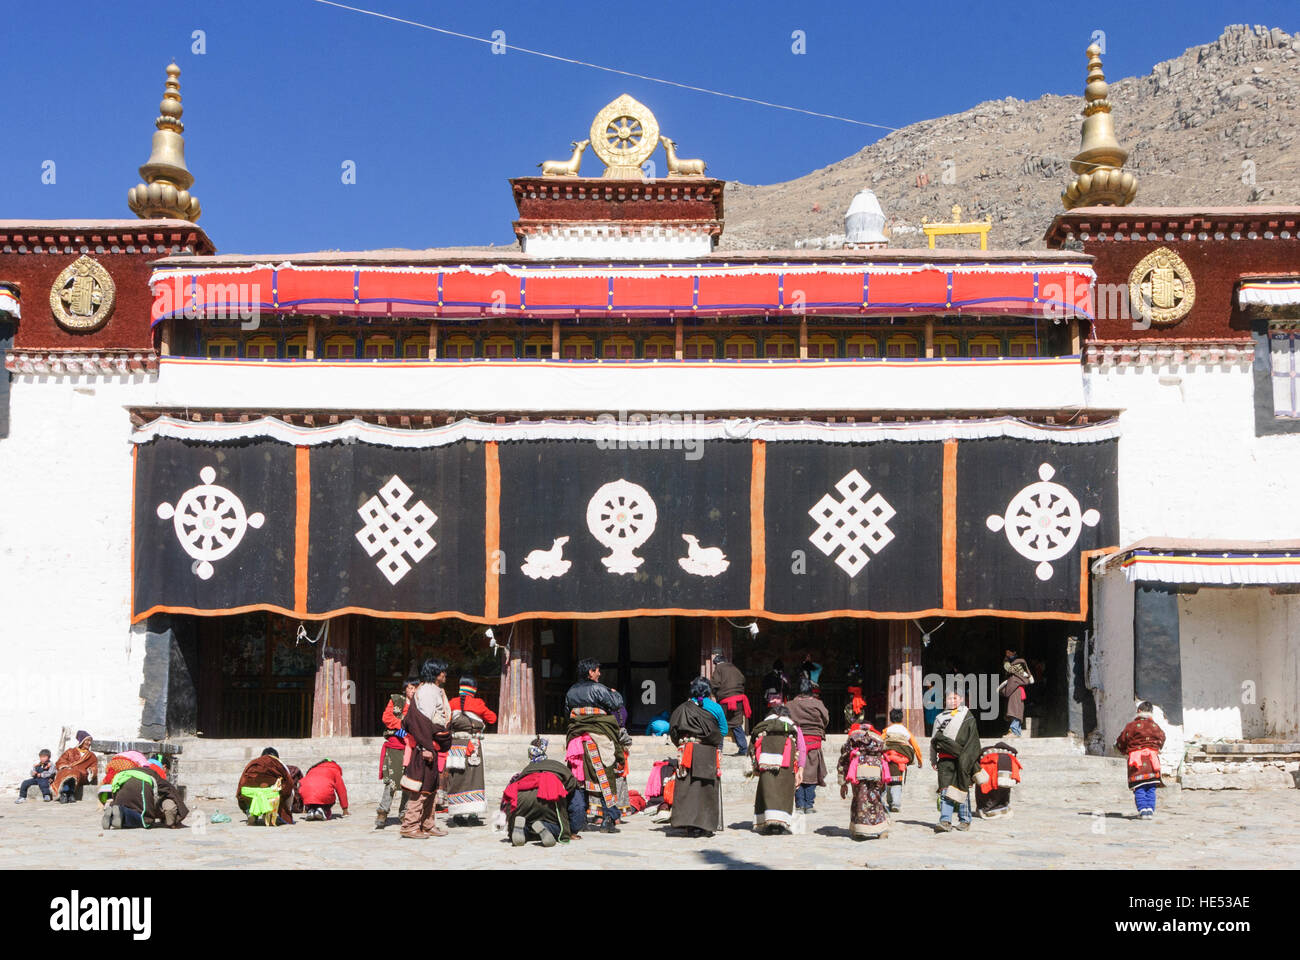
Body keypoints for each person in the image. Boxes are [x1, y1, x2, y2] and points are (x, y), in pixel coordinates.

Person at [564, 657, 626, 834]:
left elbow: (567, 713)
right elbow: (616, 704)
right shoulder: (599, 689)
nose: (599, 673)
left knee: (579, 780)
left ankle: (579, 820)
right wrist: (614, 692)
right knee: (605, 777)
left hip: (576, 742)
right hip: (598, 739)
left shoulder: (571, 691)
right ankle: (608, 819)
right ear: (591, 672)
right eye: (597, 670)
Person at [400, 658, 453, 839]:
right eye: (442, 671)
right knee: (420, 788)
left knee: (431, 787)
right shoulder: (428, 691)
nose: (445, 674)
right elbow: (423, 721)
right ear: (436, 673)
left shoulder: (434, 690)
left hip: (431, 745)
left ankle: (427, 824)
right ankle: (410, 826)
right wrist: (426, 746)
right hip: (425, 747)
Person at [667, 677, 725, 838]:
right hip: (707, 752)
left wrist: (681, 742)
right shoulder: (715, 708)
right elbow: (721, 732)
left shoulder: (682, 709)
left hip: (687, 751)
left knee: (688, 787)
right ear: (708, 691)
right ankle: (706, 825)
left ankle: (688, 824)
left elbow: (673, 731)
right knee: (706, 788)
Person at [499, 737, 580, 847]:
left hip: (522, 797)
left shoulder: (527, 769)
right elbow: (576, 804)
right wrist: (572, 828)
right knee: (557, 827)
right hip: (549, 794)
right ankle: (546, 828)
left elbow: (507, 801)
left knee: (527, 822)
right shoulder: (557, 766)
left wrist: (510, 826)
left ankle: (522, 830)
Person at [747, 692, 807, 835]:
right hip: (787, 764)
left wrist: (754, 765)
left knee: (767, 792)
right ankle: (781, 825)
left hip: (765, 763)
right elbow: (802, 748)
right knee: (784, 793)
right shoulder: (793, 725)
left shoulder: (763, 725)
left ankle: (767, 824)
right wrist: (801, 769)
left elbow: (752, 744)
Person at [444, 675, 498, 824]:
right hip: (472, 745)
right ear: (474, 689)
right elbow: (492, 718)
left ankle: (457, 814)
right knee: (474, 777)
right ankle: (473, 814)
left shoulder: (452, 703)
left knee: (456, 777)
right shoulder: (478, 703)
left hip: (455, 744)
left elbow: (445, 721)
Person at [931, 691, 981, 833]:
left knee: (962, 788)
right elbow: (934, 741)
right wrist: (933, 758)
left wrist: (968, 758)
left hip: (963, 759)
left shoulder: (967, 716)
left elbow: (973, 740)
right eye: (949, 698)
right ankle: (945, 820)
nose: (952, 701)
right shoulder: (939, 718)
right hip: (945, 760)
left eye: (955, 698)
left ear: (961, 699)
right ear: (944, 700)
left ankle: (965, 820)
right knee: (945, 790)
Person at [837, 724, 892, 839]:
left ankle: (859, 828)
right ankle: (881, 829)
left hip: (859, 770)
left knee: (860, 798)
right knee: (876, 798)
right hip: (877, 770)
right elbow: (885, 752)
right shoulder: (878, 739)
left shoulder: (853, 739)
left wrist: (843, 783)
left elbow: (844, 758)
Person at [376, 678, 416, 829]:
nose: (413, 691)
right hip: (396, 745)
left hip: (412, 746)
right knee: (392, 781)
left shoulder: (420, 706)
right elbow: (387, 718)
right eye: (411, 688)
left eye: (415, 688)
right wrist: (404, 725)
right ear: (405, 689)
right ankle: (383, 811)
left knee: (408, 781)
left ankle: (404, 812)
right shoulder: (396, 700)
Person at [1116, 701, 1166, 820]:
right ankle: (1150, 810)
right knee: (1151, 787)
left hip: (1137, 761)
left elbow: (1122, 740)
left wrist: (1122, 750)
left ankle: (1143, 810)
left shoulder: (1131, 726)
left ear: (1138, 711)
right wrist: (1155, 748)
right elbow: (1162, 737)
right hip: (1152, 760)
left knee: (1139, 786)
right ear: (1151, 713)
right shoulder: (1155, 726)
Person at [786, 676, 829, 814]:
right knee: (812, 773)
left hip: (797, 741)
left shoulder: (790, 705)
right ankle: (809, 804)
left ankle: (799, 804)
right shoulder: (818, 704)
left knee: (797, 768)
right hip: (814, 740)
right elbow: (826, 718)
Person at [101, 765, 188, 829]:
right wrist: (172, 823)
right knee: (144, 819)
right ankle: (122, 812)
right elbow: (171, 804)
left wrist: (115, 801)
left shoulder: (133, 770)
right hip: (141, 786)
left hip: (121, 785)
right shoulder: (158, 779)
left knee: (122, 812)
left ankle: (113, 815)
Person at [236, 747, 303, 825]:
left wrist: (242, 802)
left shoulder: (253, 763)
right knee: (282, 791)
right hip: (272, 793)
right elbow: (289, 783)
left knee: (250, 791)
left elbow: (241, 784)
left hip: (249, 792)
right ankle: (268, 812)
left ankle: (250, 811)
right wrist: (286, 808)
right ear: (277, 757)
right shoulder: (279, 763)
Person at [881, 709, 923, 813]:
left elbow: (880, 741)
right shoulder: (905, 731)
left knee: (888, 780)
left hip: (888, 757)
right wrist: (919, 760)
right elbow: (915, 746)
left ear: (890, 718)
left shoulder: (887, 730)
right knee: (897, 781)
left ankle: (891, 802)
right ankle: (896, 803)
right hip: (901, 759)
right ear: (902, 718)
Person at [710, 652, 750, 755]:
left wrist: (715, 693)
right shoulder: (735, 668)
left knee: (720, 723)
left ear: (717, 663)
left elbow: (715, 683)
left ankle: (719, 748)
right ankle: (743, 748)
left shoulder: (719, 668)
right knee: (736, 724)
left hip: (725, 701)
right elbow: (743, 680)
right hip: (739, 700)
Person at [975, 741, 1022, 819]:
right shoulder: (1009, 754)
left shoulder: (986, 754)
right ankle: (1003, 807)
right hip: (1009, 765)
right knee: (1004, 788)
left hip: (990, 766)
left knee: (988, 788)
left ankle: (987, 809)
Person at [51, 732, 97, 803]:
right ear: (81, 741)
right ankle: (66, 793)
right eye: (87, 740)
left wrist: (91, 771)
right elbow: (60, 761)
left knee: (75, 773)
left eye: (90, 741)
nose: (89, 743)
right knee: (69, 773)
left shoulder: (91, 756)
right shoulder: (70, 751)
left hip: (81, 775)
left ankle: (68, 793)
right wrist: (67, 767)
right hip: (67, 771)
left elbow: (94, 766)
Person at [999, 649, 1034, 738]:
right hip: (1014, 689)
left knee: (1015, 710)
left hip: (1016, 689)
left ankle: (1014, 731)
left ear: (1014, 652)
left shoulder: (1019, 662)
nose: (1007, 654)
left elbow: (1010, 669)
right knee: (1014, 709)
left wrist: (1006, 662)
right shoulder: (1015, 663)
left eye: (1009, 652)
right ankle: (1016, 731)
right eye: (1006, 653)